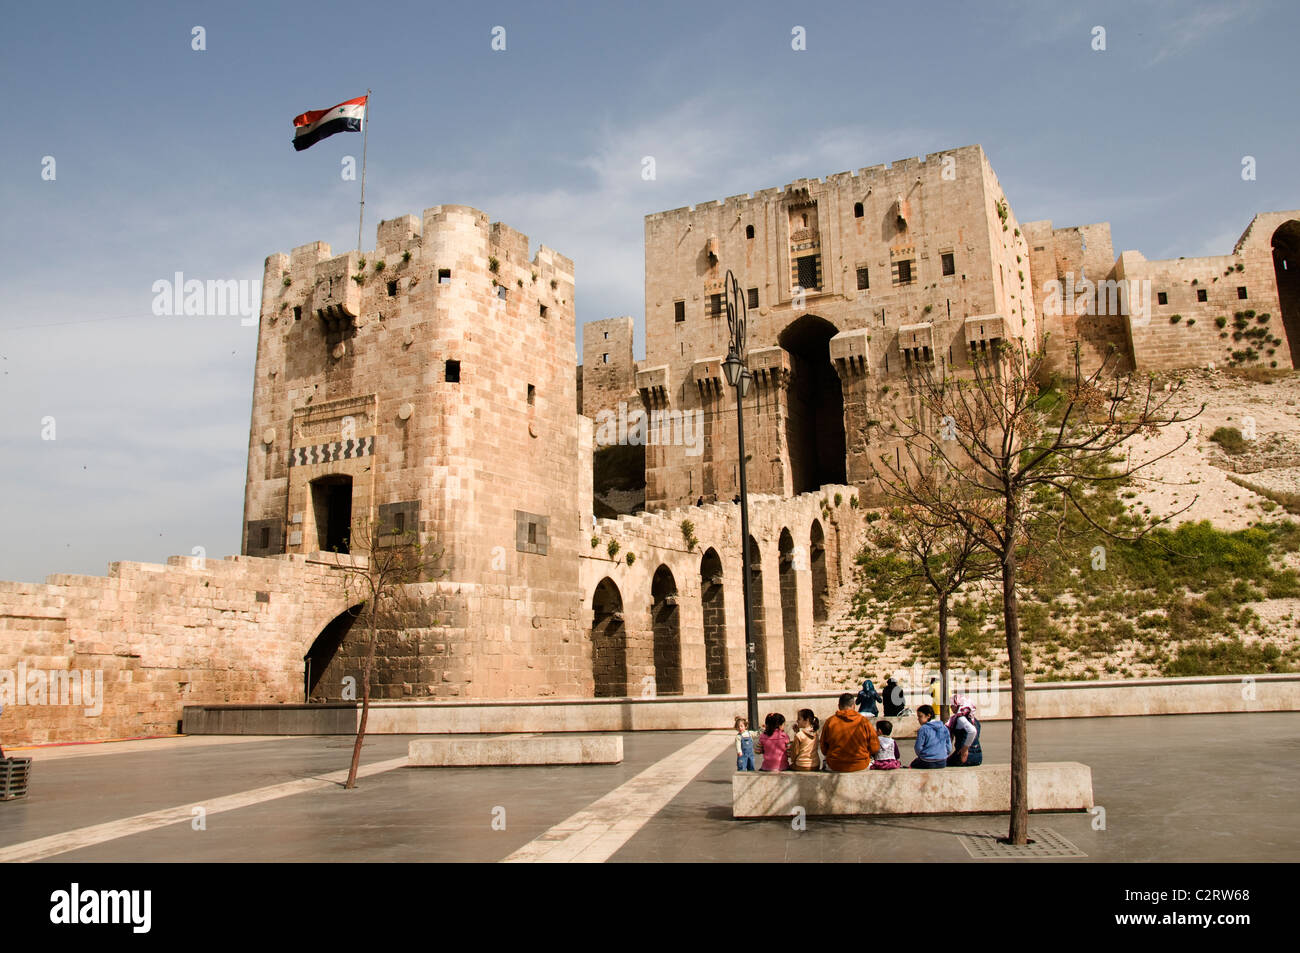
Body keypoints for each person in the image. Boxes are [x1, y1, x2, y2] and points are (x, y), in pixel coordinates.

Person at [819, 692, 880, 772]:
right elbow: (874, 748)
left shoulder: (830, 721)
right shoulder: (863, 721)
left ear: (839, 706)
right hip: (861, 764)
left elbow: (824, 749)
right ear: (853, 706)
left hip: (835, 765)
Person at [946, 694, 983, 767]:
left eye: (952, 705)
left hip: (965, 757)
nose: (951, 707)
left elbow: (972, 731)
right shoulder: (974, 719)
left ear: (958, 705)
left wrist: (965, 750)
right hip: (978, 756)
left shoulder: (960, 719)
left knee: (942, 764)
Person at [910, 705, 952, 769]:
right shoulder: (944, 727)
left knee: (913, 764)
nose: (918, 719)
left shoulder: (923, 729)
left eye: (920, 716)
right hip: (942, 762)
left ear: (928, 716)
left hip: (927, 761)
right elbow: (949, 747)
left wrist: (923, 756)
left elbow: (918, 748)